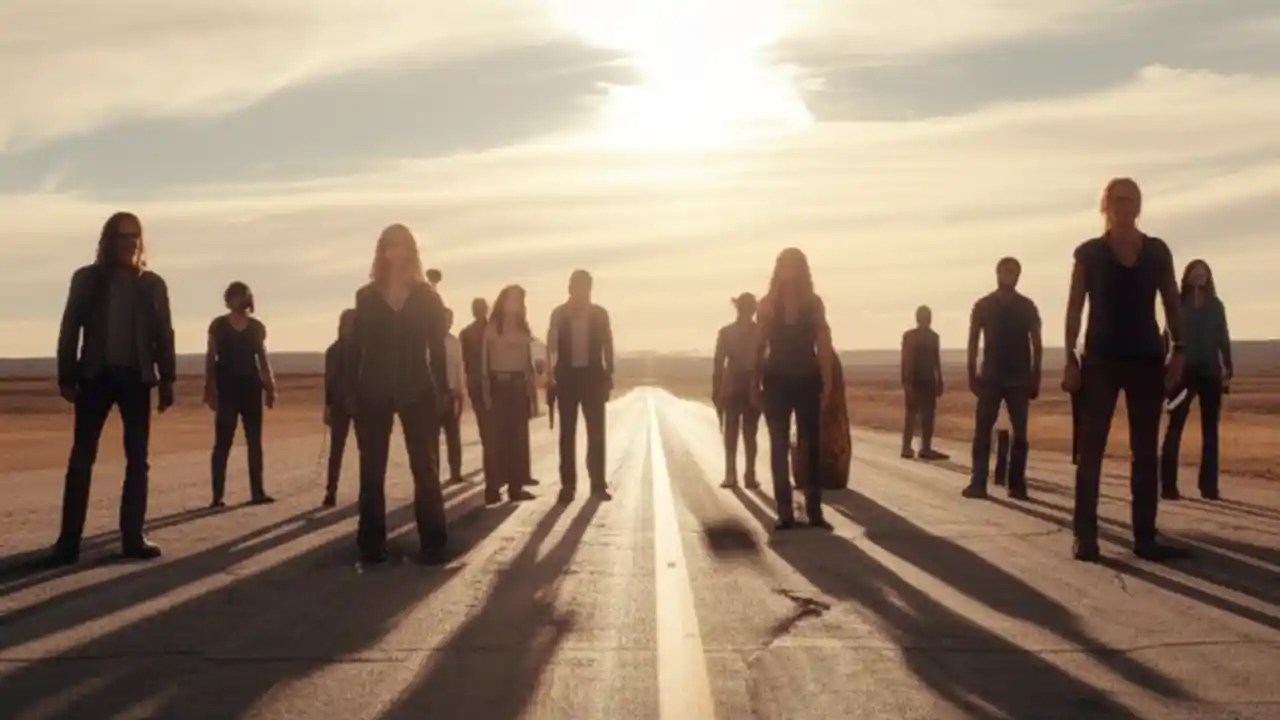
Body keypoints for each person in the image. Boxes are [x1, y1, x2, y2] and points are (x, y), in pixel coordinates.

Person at [1064, 177, 1188, 563]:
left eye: (1131, 199)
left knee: (1145, 452)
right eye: (1117, 200)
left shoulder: (1156, 252)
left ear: (1139, 206)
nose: (1124, 206)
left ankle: (1145, 537)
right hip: (1100, 360)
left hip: (1147, 359)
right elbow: (1074, 308)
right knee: (1091, 451)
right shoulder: (1089, 254)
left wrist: (1179, 349)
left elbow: (1172, 301)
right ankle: (1085, 537)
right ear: (1105, 206)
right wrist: (1069, 358)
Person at [50, 211, 175, 565]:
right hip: (95, 377)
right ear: (108, 240)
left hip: (136, 378)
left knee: (138, 459)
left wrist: (168, 379)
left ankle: (133, 538)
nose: (129, 242)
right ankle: (68, 542)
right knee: (81, 458)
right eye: (122, 235)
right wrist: (66, 375)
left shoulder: (152, 284)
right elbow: (70, 327)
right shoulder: (86, 280)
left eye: (134, 236)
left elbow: (164, 333)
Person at [344, 224, 449, 565]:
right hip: (373, 390)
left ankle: (433, 544)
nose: (395, 252)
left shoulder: (426, 297)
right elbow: (354, 348)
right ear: (382, 252)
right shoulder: (366, 297)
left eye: (401, 245)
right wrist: (348, 392)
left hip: (418, 388)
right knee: (372, 470)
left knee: (426, 468)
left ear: (411, 251)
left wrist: (444, 391)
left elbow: (438, 348)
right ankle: (371, 546)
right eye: (389, 246)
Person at [752, 247, 835, 531]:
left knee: (811, 445)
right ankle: (785, 510)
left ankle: (814, 509)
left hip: (808, 380)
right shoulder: (768, 305)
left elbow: (824, 343)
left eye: (795, 265)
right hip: (776, 380)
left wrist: (828, 382)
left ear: (803, 269)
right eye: (785, 265)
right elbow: (759, 345)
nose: (790, 270)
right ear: (778, 269)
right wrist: (754, 382)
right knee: (778, 445)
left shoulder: (813, 304)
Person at [962, 258, 1042, 500]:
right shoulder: (983, 306)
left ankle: (1017, 484)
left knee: (1021, 433)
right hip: (991, 377)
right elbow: (973, 340)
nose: (1010, 276)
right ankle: (978, 481)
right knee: (982, 431)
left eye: (1014, 272)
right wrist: (971, 373)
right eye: (1006, 272)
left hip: (1019, 378)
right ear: (997, 273)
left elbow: (1037, 343)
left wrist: (1035, 375)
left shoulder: (1027, 306)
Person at [1160, 259, 1233, 501]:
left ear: (1208, 277)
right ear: (1188, 276)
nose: (1200, 276)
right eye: (1196, 272)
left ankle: (1209, 487)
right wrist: (1165, 369)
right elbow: (1167, 336)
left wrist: (1228, 368)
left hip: (1210, 372)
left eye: (1204, 273)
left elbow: (1223, 336)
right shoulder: (1178, 304)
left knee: (1210, 431)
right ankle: (1168, 485)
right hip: (1183, 373)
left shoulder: (1216, 306)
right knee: (1175, 427)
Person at [204, 282, 277, 508]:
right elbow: (211, 356)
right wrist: (209, 388)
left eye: (242, 296)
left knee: (254, 441)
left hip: (251, 389)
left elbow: (262, 357)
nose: (239, 300)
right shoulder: (218, 325)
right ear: (229, 299)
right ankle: (217, 495)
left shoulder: (256, 327)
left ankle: (258, 491)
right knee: (222, 443)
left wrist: (270, 386)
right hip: (226, 389)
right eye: (234, 296)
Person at [546, 269, 614, 504]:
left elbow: (608, 344)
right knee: (567, 434)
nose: (582, 292)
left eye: (586, 287)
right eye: (577, 287)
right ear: (570, 288)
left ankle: (598, 484)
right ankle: (568, 486)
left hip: (593, 377)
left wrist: (609, 373)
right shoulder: (559, 314)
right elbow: (551, 347)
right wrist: (549, 376)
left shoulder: (600, 314)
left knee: (597, 434)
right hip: (566, 378)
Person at [481, 285, 540, 505]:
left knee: (518, 439)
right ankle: (493, 488)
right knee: (496, 440)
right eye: (512, 299)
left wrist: (532, 393)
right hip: (499, 384)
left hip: (519, 386)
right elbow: (484, 362)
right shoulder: (493, 328)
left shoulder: (523, 329)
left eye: (519, 300)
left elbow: (529, 363)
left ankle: (516, 486)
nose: (515, 304)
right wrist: (486, 391)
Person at [714, 293, 761, 489]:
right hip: (745, 385)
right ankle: (747, 475)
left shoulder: (727, 332)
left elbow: (718, 363)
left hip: (736, 385)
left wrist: (716, 389)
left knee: (734, 433)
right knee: (748, 434)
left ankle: (733, 474)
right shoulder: (759, 332)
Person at [900, 306, 949, 460]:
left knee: (925, 415)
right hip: (917, 380)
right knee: (914, 414)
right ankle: (912, 447)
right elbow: (906, 359)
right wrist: (907, 382)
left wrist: (939, 379)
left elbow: (936, 359)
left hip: (925, 380)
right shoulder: (913, 337)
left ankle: (922, 448)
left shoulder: (931, 337)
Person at [322, 309, 357, 508]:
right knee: (336, 449)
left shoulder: (364, 349)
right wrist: (327, 406)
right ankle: (331, 490)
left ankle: (367, 491)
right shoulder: (334, 351)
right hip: (340, 404)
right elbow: (330, 381)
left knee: (367, 451)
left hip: (362, 404)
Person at [439, 308, 465, 485]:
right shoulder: (427, 341)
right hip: (433, 394)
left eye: (450, 320)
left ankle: (456, 472)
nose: (447, 323)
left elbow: (459, 368)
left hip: (451, 393)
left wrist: (459, 392)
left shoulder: (454, 343)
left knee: (453, 436)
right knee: (431, 439)